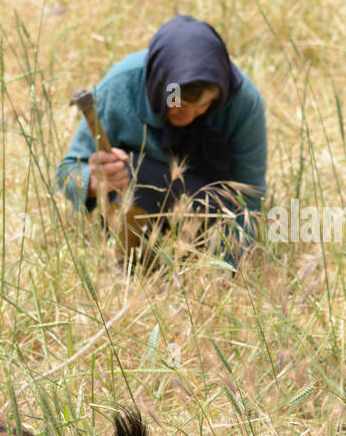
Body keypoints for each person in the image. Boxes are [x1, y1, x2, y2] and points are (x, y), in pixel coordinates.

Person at [56, 15, 267, 265]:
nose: (187, 116)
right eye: (178, 102)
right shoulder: (122, 84)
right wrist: (93, 180)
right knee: (131, 172)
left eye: (202, 107)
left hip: (203, 211)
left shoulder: (241, 101)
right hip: (130, 210)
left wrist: (228, 266)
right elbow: (66, 172)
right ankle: (127, 264)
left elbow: (249, 195)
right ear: (159, 84)